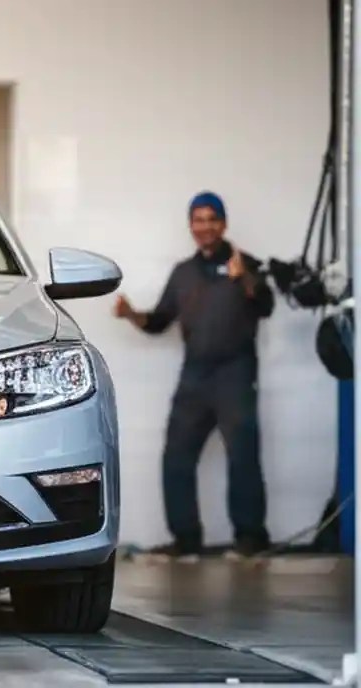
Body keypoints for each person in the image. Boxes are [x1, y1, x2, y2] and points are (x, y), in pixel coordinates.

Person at [114, 191, 275, 560]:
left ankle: (251, 539)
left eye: (212, 219)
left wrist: (244, 279)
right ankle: (186, 541)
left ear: (224, 223)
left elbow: (266, 306)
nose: (205, 226)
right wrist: (130, 314)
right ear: (191, 226)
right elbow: (159, 322)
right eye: (198, 220)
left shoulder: (245, 264)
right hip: (195, 375)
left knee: (243, 456)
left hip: (235, 372)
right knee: (176, 457)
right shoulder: (183, 273)